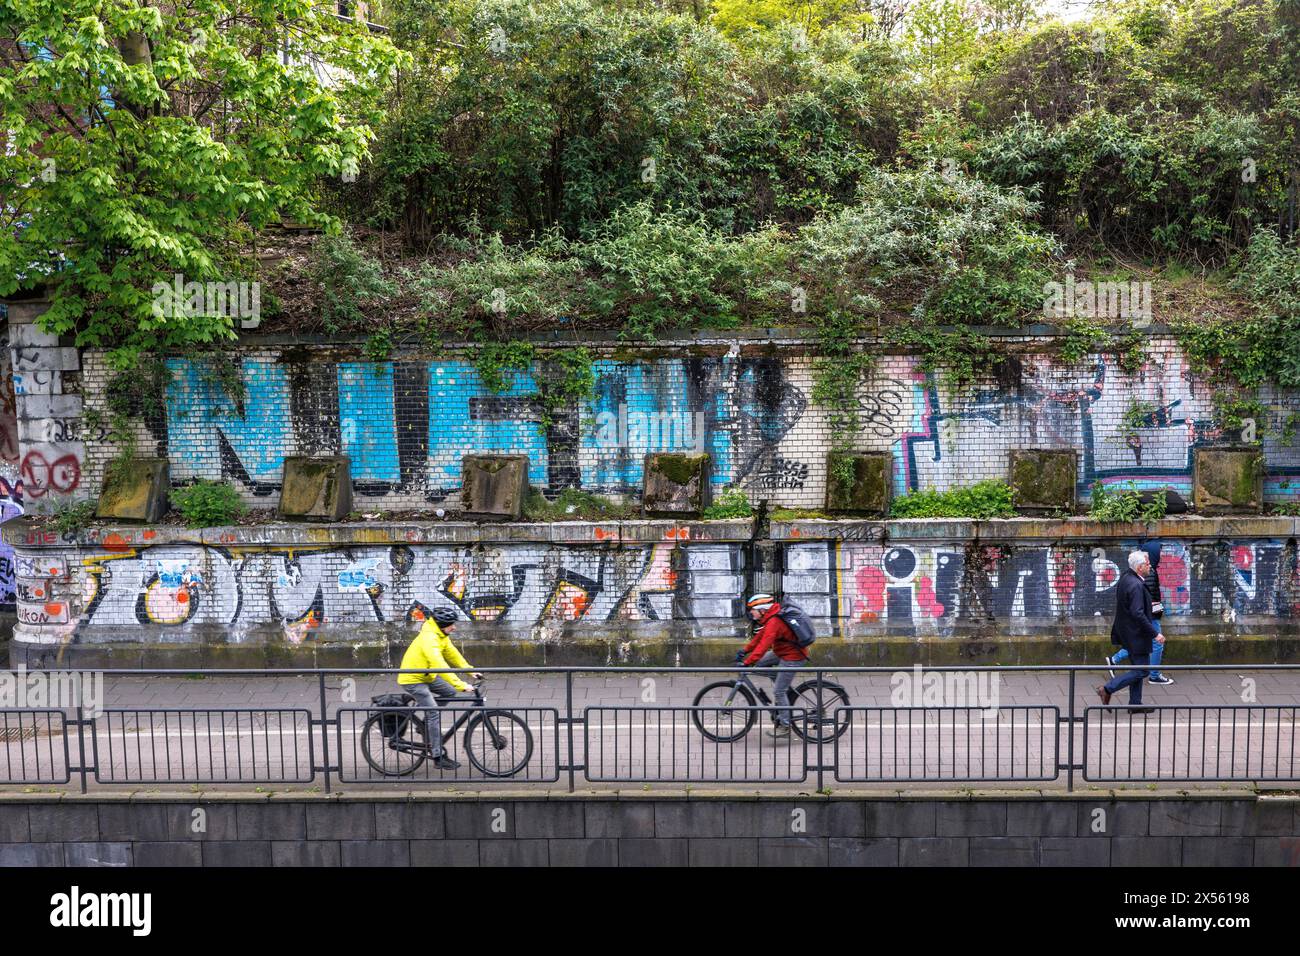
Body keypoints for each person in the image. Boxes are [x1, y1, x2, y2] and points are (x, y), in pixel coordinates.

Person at [397, 606, 481, 769]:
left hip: (426, 675)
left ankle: (425, 726)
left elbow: (452, 654)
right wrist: (461, 685)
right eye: (451, 624)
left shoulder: (441, 634)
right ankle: (438, 756)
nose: (454, 627)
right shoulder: (429, 639)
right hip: (412, 679)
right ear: (442, 624)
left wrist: (470, 671)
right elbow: (439, 664)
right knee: (434, 712)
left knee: (449, 692)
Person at [1097, 551, 1164, 714]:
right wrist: (1155, 634)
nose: (1150, 566)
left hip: (1127, 633)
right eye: (1147, 564)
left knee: (1137, 668)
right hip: (1136, 635)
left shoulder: (1127, 577)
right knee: (1142, 670)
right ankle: (1107, 688)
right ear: (1140, 567)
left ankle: (1135, 704)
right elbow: (1137, 613)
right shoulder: (1136, 585)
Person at [737, 593, 809, 738]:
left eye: (753, 610)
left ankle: (785, 726)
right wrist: (744, 650)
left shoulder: (774, 622)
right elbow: (759, 638)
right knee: (761, 664)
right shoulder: (770, 618)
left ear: (762, 610)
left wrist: (747, 662)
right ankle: (782, 685)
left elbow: (764, 645)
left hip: (793, 657)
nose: (751, 613)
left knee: (778, 691)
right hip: (782, 652)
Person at [1106, 539, 1173, 685]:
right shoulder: (1148, 574)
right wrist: (1155, 610)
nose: (1162, 554)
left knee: (1140, 645)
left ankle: (1115, 660)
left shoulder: (1142, 572)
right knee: (1156, 644)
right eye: (1159, 551)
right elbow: (1141, 602)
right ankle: (1153, 675)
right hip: (1149, 616)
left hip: (1147, 615)